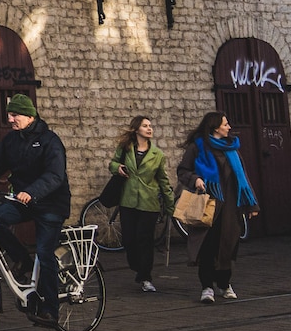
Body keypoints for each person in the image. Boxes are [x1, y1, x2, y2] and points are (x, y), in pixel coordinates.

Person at [0, 93, 71, 328]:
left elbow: (55, 175)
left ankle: (50, 310)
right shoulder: (12, 141)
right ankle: (21, 259)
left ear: (29, 115)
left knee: (44, 253)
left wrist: (32, 191)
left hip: (51, 203)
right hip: (25, 201)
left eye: (15, 115)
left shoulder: (49, 141)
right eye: (9, 115)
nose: (10, 119)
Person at [178, 111, 257, 302]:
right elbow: (183, 170)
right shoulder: (198, 148)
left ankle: (224, 284)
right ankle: (206, 287)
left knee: (228, 246)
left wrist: (252, 204)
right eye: (225, 124)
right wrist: (195, 179)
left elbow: (243, 177)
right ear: (215, 127)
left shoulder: (232, 149)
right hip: (208, 204)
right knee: (207, 246)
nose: (229, 127)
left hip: (230, 206)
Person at [108, 115, 169, 293]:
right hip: (128, 200)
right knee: (128, 239)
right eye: (145, 126)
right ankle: (137, 266)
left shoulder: (158, 155)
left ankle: (145, 277)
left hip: (148, 202)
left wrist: (170, 203)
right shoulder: (126, 149)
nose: (149, 128)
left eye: (150, 126)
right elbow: (112, 163)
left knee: (145, 239)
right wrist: (117, 168)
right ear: (136, 130)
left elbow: (163, 180)